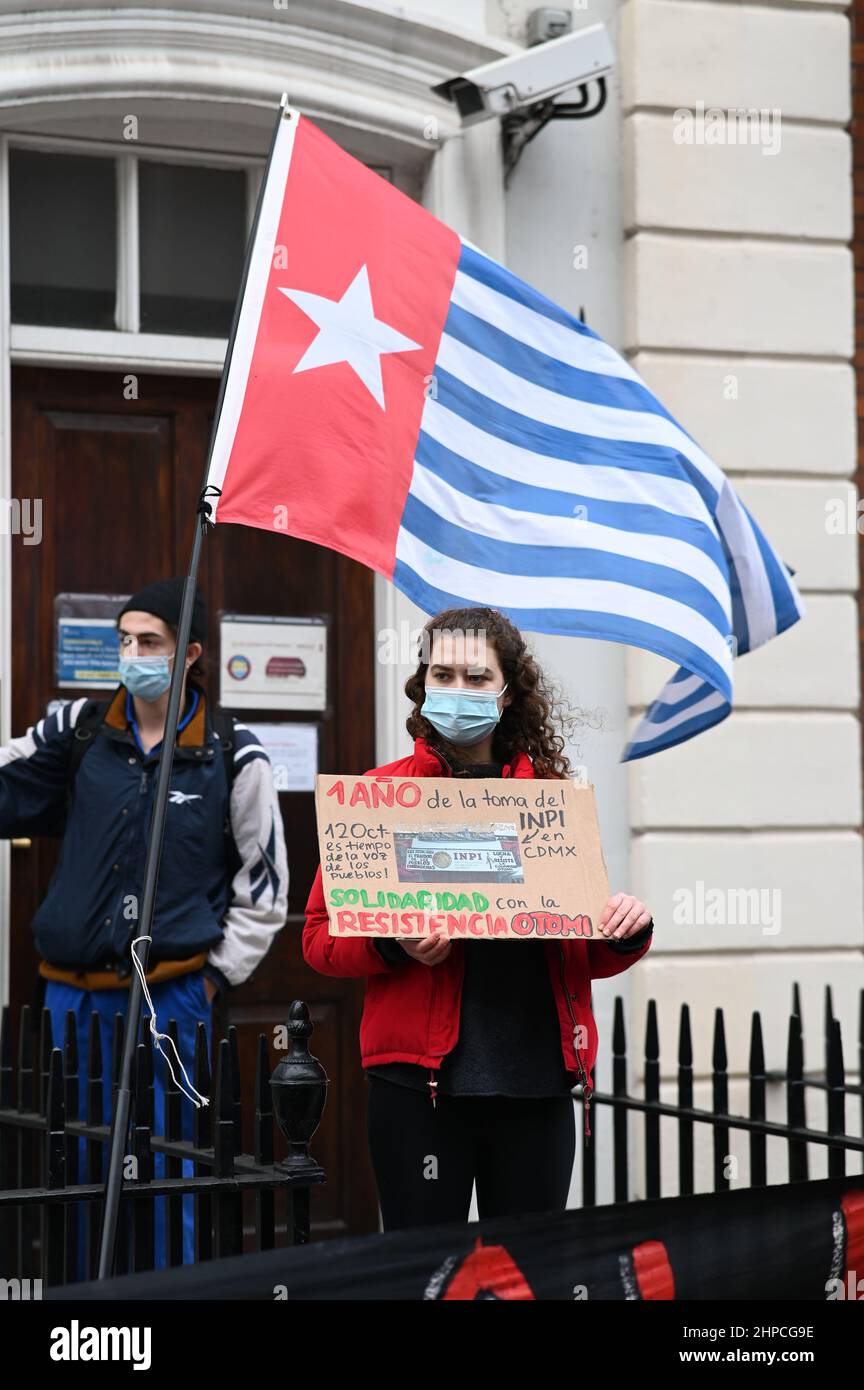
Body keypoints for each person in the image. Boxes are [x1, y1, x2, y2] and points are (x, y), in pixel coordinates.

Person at [303, 606, 654, 1231]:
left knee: (525, 1274)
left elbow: (580, 945)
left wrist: (626, 932)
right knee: (426, 1271)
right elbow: (318, 938)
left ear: (507, 691)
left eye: (476, 678)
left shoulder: (553, 799)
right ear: (422, 682)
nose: (457, 691)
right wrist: (392, 945)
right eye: (443, 675)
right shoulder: (379, 797)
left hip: (537, 1086)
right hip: (420, 1091)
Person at [0, 577, 289, 1269]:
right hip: (69, 999)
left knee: (165, 1172)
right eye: (124, 639)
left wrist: (212, 981)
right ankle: (87, 1323)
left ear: (187, 653)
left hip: (169, 1002)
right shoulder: (77, 730)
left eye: (149, 641)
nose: (132, 653)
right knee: (72, 1173)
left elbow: (265, 890)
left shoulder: (234, 752)